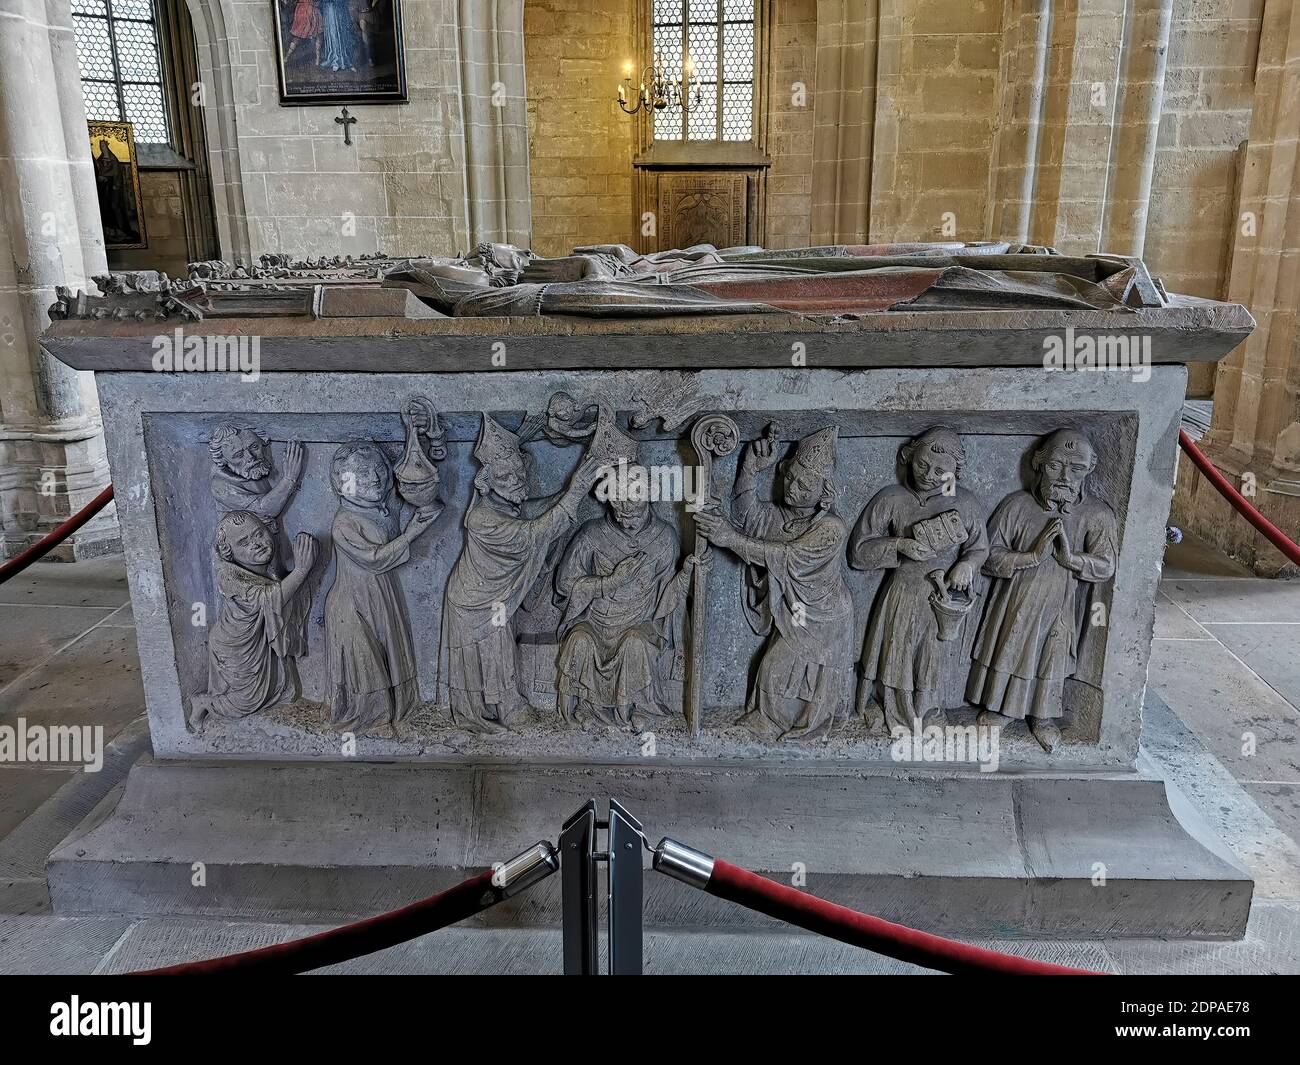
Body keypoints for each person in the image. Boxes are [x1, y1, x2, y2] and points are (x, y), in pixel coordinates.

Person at [439, 416, 603, 733]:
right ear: (486, 483)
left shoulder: (506, 504)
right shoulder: (481, 520)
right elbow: (535, 532)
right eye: (507, 477)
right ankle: (508, 708)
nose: (518, 480)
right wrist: (577, 490)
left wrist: (570, 491)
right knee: (495, 649)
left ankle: (509, 705)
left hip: (495, 596)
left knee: (501, 648)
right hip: (475, 603)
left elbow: (534, 509)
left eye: (519, 473)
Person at [695, 425, 854, 741]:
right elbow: (748, 518)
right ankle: (770, 718)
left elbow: (786, 556)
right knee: (775, 667)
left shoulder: (831, 528)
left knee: (777, 666)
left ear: (825, 492)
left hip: (822, 616)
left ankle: (790, 722)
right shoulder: (777, 516)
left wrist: (728, 538)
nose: (793, 487)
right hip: (793, 608)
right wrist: (749, 470)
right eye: (790, 477)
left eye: (805, 484)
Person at [966, 429, 1118, 752]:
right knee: (1011, 647)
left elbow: (1106, 565)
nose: (1065, 477)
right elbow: (987, 555)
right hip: (1017, 600)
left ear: (1089, 469)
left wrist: (1072, 559)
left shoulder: (1096, 515)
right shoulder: (1017, 506)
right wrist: (1028, 557)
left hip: (1062, 605)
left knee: (1052, 656)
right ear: (1038, 462)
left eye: (1076, 469)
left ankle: (1043, 717)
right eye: (1055, 466)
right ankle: (1001, 709)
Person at [849, 427, 988, 731]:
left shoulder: (964, 503)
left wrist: (967, 564)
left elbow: (980, 548)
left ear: (955, 473)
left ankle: (925, 711)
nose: (928, 474)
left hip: (941, 598)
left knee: (931, 657)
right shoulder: (891, 498)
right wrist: (900, 545)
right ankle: (891, 708)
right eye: (922, 464)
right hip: (901, 592)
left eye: (941, 470)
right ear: (907, 457)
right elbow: (858, 553)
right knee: (895, 651)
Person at [554, 475, 704, 730]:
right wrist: (610, 582)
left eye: (635, 512)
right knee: (579, 641)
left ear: (648, 501)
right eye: (620, 513)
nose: (628, 521)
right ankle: (588, 707)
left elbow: (669, 595)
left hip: (641, 622)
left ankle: (641, 707)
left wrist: (687, 573)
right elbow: (564, 584)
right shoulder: (592, 534)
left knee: (634, 642)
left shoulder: (663, 538)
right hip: (594, 621)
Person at [324, 442, 439, 735]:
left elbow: (414, 485)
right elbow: (374, 559)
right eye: (361, 474)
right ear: (343, 484)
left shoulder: (381, 507)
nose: (375, 478)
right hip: (353, 605)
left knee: (387, 654)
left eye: (378, 469)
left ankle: (398, 710)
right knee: (366, 665)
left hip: (380, 595)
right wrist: (412, 533)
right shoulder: (344, 523)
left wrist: (420, 438)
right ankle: (371, 720)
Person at [192, 512, 316, 724]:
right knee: (246, 701)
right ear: (229, 553)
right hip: (236, 645)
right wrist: (301, 571)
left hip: (259, 638)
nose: (256, 544)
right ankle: (203, 703)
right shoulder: (228, 576)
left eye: (258, 534)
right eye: (244, 542)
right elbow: (269, 599)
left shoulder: (267, 566)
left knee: (277, 689)